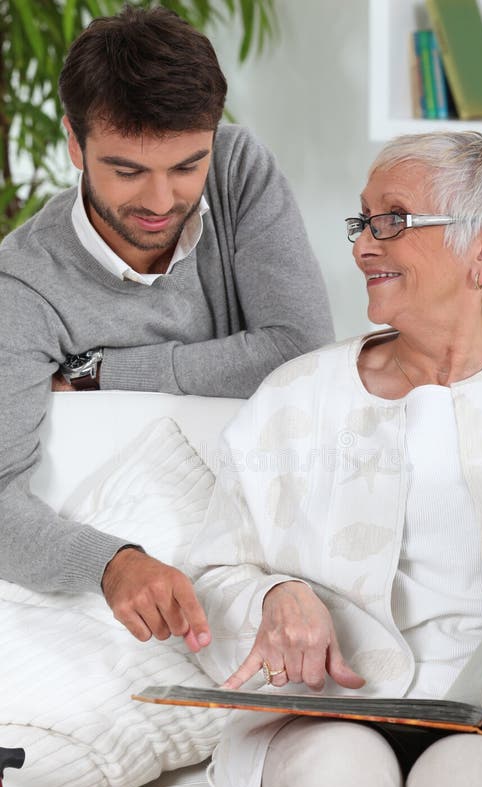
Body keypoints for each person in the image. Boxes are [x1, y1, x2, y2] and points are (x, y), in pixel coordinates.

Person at [149, 131, 482, 787]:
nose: (363, 245)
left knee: (464, 783)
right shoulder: (296, 398)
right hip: (328, 718)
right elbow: (210, 575)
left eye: (392, 219)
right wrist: (269, 598)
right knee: (335, 779)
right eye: (361, 222)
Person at [0, 5, 333, 649]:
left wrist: (103, 371)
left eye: (186, 166)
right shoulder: (20, 287)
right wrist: (111, 563)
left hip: (282, 535)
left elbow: (301, 352)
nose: (160, 203)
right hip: (129, 587)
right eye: (128, 171)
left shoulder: (237, 169)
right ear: (74, 142)